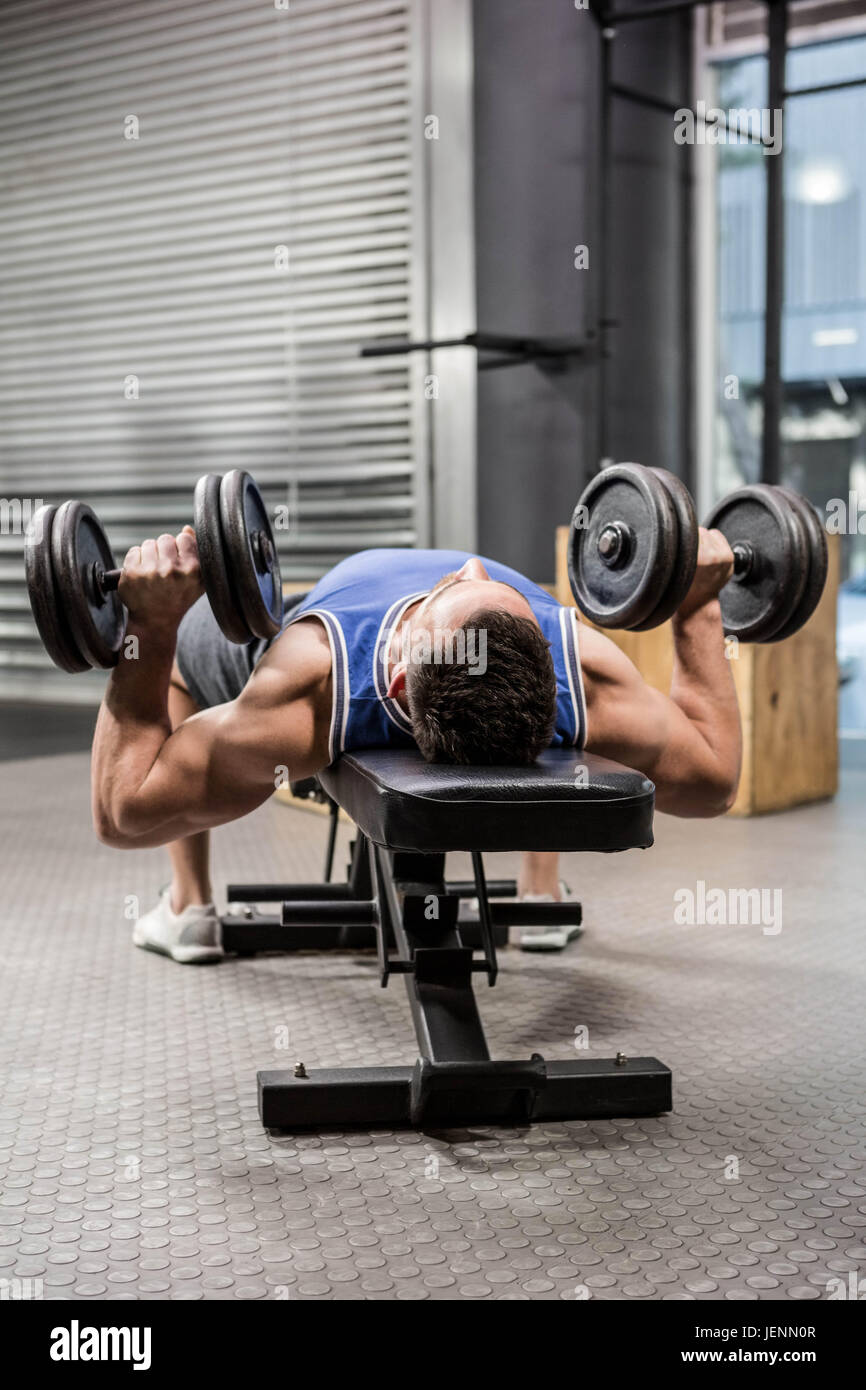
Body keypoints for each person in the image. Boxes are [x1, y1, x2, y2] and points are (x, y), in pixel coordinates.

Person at [92, 528, 741, 962]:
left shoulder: (305, 693)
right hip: (365, 630)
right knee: (538, 720)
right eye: (484, 586)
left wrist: (152, 620)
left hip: (319, 620)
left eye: (451, 590)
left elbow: (123, 812)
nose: (471, 565)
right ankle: (540, 899)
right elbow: (713, 779)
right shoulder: (587, 679)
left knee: (180, 667)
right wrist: (699, 606)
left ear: (399, 669)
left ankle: (188, 906)